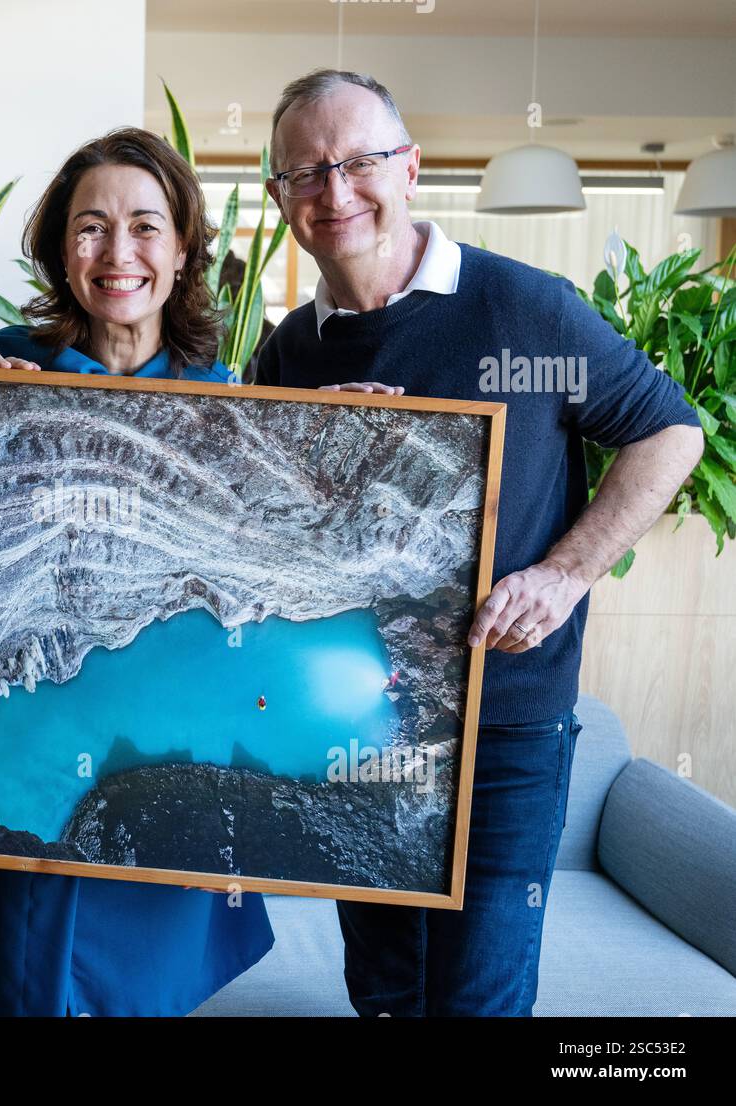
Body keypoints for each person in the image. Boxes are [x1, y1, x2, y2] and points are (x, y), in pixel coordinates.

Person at [255, 68, 705, 1016]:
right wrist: (309, 450)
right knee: (385, 992)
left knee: (481, 999)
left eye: (360, 162)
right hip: (353, 721)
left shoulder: (520, 308)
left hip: (505, 723)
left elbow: (671, 431)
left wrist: (564, 574)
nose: (335, 193)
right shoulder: (291, 350)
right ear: (281, 200)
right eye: (306, 174)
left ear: (409, 168)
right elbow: (266, 532)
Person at [0, 127, 276, 1015]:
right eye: (91, 228)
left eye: (145, 226)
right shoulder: (1, 378)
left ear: (182, 250)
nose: (118, 252)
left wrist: (356, 443)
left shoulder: (235, 408)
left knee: (149, 988)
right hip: (34, 751)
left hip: (173, 749)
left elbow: (257, 596)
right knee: (29, 983)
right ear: (63, 254)